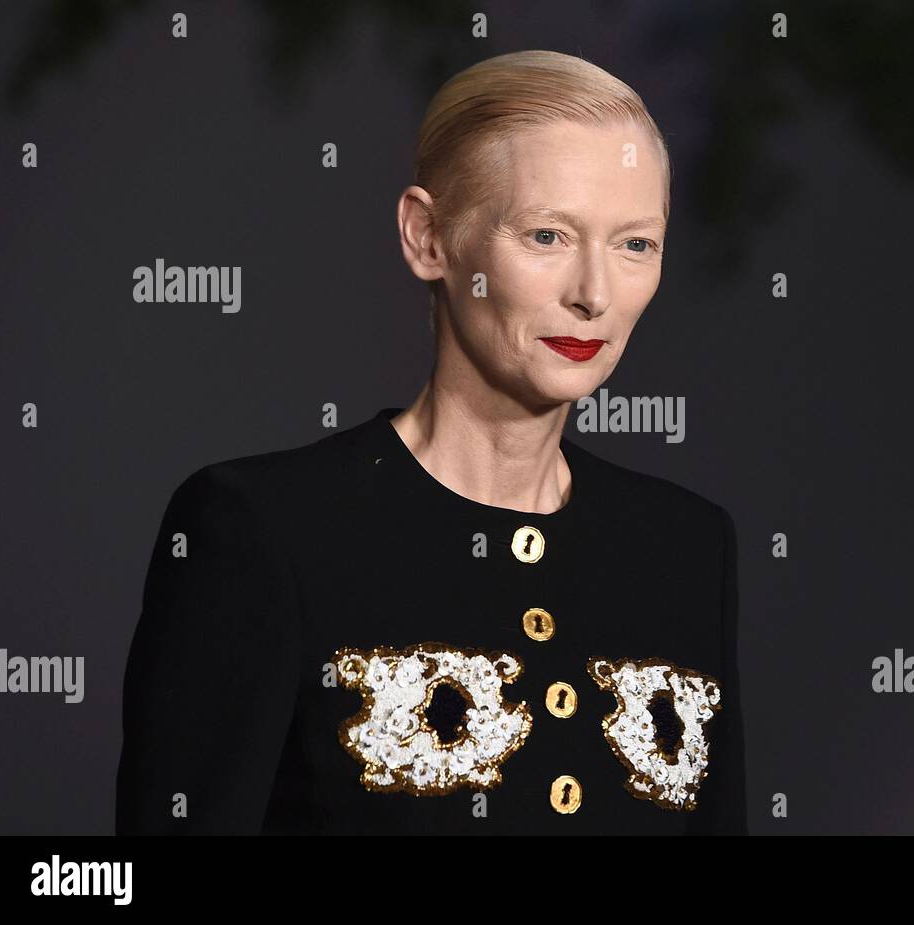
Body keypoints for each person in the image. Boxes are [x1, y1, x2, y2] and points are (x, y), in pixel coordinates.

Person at [115, 49, 748, 835]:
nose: (593, 293)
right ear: (427, 237)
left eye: (635, 244)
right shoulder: (263, 527)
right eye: (548, 235)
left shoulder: (687, 547)